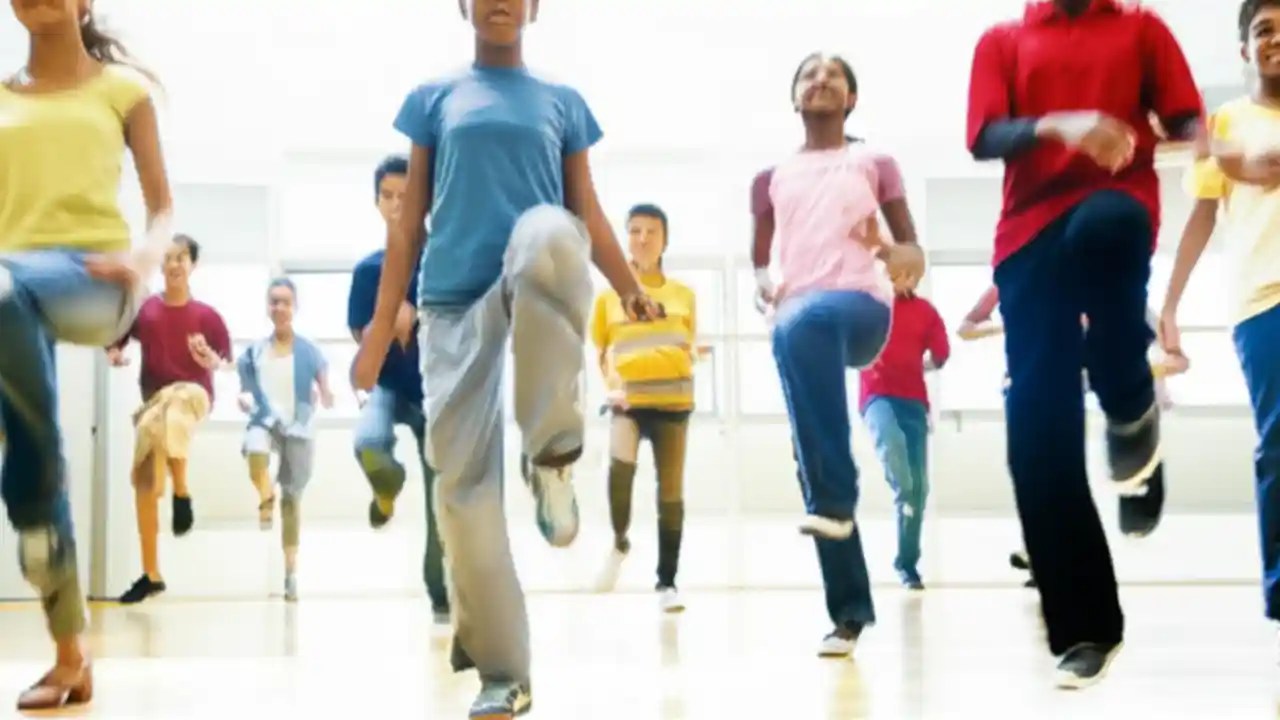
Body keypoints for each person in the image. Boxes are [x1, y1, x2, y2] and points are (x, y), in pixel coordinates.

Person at [348, 1, 661, 716]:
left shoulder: (561, 102)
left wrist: (629, 286)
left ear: (533, 7)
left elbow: (588, 210)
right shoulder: (433, 99)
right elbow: (408, 222)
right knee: (460, 494)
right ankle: (503, 671)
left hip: (533, 278)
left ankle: (551, 457)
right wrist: (375, 328)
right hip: (452, 305)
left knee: (551, 231)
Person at [966, 0, 1203, 688]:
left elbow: (1183, 112)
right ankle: (1086, 628)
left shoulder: (1141, 28)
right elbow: (983, 135)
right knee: (1035, 433)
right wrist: (1061, 125)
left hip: (1114, 206)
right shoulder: (1003, 40)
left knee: (1100, 229)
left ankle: (1131, 408)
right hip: (1025, 239)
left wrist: (1202, 133)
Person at [0, 0, 174, 709]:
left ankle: (37, 476)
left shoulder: (123, 91)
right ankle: (71, 653)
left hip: (99, 280)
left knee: (7, 301)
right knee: (6, 303)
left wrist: (144, 257)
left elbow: (162, 206)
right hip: (10, 286)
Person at [751, 52, 924, 658]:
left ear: (851, 98)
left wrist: (898, 253)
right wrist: (760, 284)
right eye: (807, 75)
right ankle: (848, 611)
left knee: (805, 324)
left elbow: (911, 251)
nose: (820, 81)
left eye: (834, 76)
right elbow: (760, 259)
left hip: (861, 309)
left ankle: (835, 490)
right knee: (811, 457)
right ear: (793, 97)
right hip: (798, 318)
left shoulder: (873, 161)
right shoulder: (769, 177)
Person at [1161, 0, 1280, 656]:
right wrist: (1171, 305)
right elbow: (1203, 217)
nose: (1276, 40)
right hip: (1265, 302)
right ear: (1244, 49)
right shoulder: (1228, 122)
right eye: (1263, 29)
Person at [347, 156, 450, 622]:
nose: (395, 204)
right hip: (389, 387)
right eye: (387, 196)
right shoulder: (368, 271)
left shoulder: (444, 259)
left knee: (438, 506)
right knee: (368, 442)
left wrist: (422, 318)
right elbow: (361, 343)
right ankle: (386, 492)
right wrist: (387, 322)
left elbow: (460, 328)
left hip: (436, 394)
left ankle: (440, 594)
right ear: (375, 202)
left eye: (405, 197)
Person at [108, 234, 232, 605]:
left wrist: (209, 358)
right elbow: (117, 340)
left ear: (193, 265)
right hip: (153, 406)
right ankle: (151, 574)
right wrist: (114, 353)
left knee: (175, 405)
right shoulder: (146, 310)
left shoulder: (207, 316)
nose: (175, 264)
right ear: (160, 266)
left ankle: (181, 491)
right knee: (145, 485)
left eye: (182, 258)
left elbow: (225, 361)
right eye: (168, 258)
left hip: (193, 396)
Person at [591, 203, 700, 613]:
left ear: (664, 240)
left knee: (670, 493)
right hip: (628, 405)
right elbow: (600, 351)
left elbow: (687, 343)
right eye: (634, 231)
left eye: (651, 232)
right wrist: (611, 388)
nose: (642, 239)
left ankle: (667, 581)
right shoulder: (608, 298)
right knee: (620, 469)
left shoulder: (683, 296)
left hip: (675, 404)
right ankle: (620, 542)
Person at [235, 278, 333, 602]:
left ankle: (290, 573)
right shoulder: (254, 352)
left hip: (298, 425)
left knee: (292, 499)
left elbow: (325, 386)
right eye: (273, 301)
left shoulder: (309, 351)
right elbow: (246, 388)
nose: (279, 308)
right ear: (267, 306)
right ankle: (265, 497)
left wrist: (325, 394)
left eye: (285, 302)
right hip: (264, 418)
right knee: (255, 453)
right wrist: (244, 399)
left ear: (295, 307)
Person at [857, 273, 949, 591]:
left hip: (914, 401)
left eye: (910, 273)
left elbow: (941, 354)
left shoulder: (925, 311)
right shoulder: (869, 305)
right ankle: (901, 485)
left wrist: (919, 366)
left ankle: (906, 564)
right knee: (894, 446)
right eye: (897, 272)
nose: (902, 279)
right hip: (877, 395)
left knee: (918, 491)